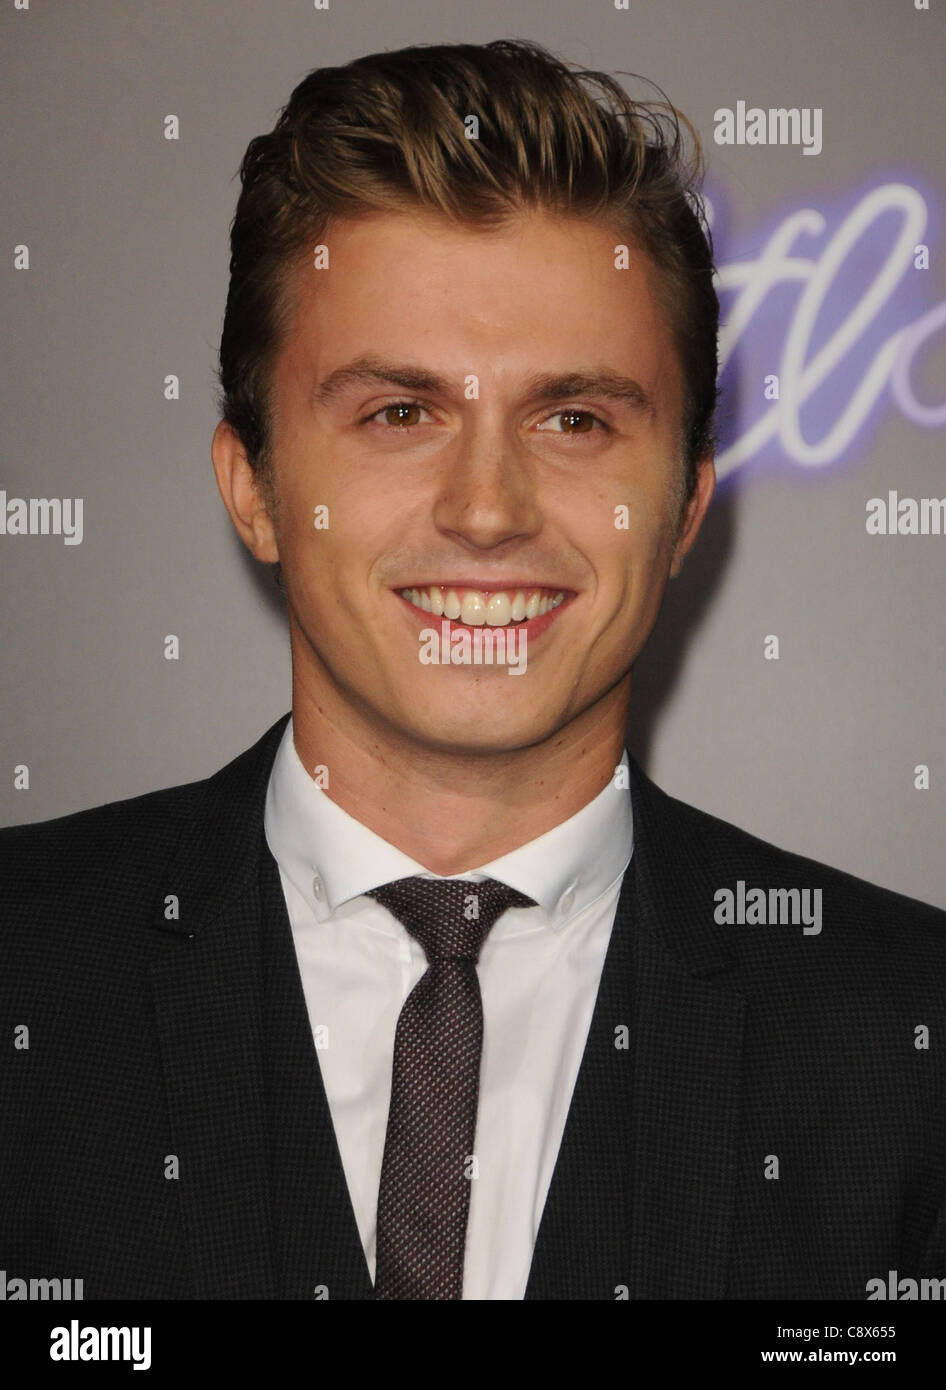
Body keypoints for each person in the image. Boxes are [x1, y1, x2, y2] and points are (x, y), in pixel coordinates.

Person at [2, 39, 944, 1303]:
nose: (488, 509)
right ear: (254, 487)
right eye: (399, 413)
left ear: (683, 508)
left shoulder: (909, 1044)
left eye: (575, 419)